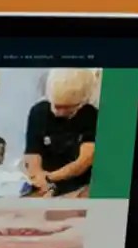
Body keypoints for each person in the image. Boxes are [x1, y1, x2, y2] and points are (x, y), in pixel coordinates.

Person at [24, 68, 99, 197]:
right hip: (46, 181)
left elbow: (84, 161)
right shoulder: (39, 112)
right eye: (57, 106)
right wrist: (40, 180)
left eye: (68, 107)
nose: (60, 113)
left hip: (79, 184)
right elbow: (32, 154)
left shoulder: (91, 116)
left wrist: (51, 177)